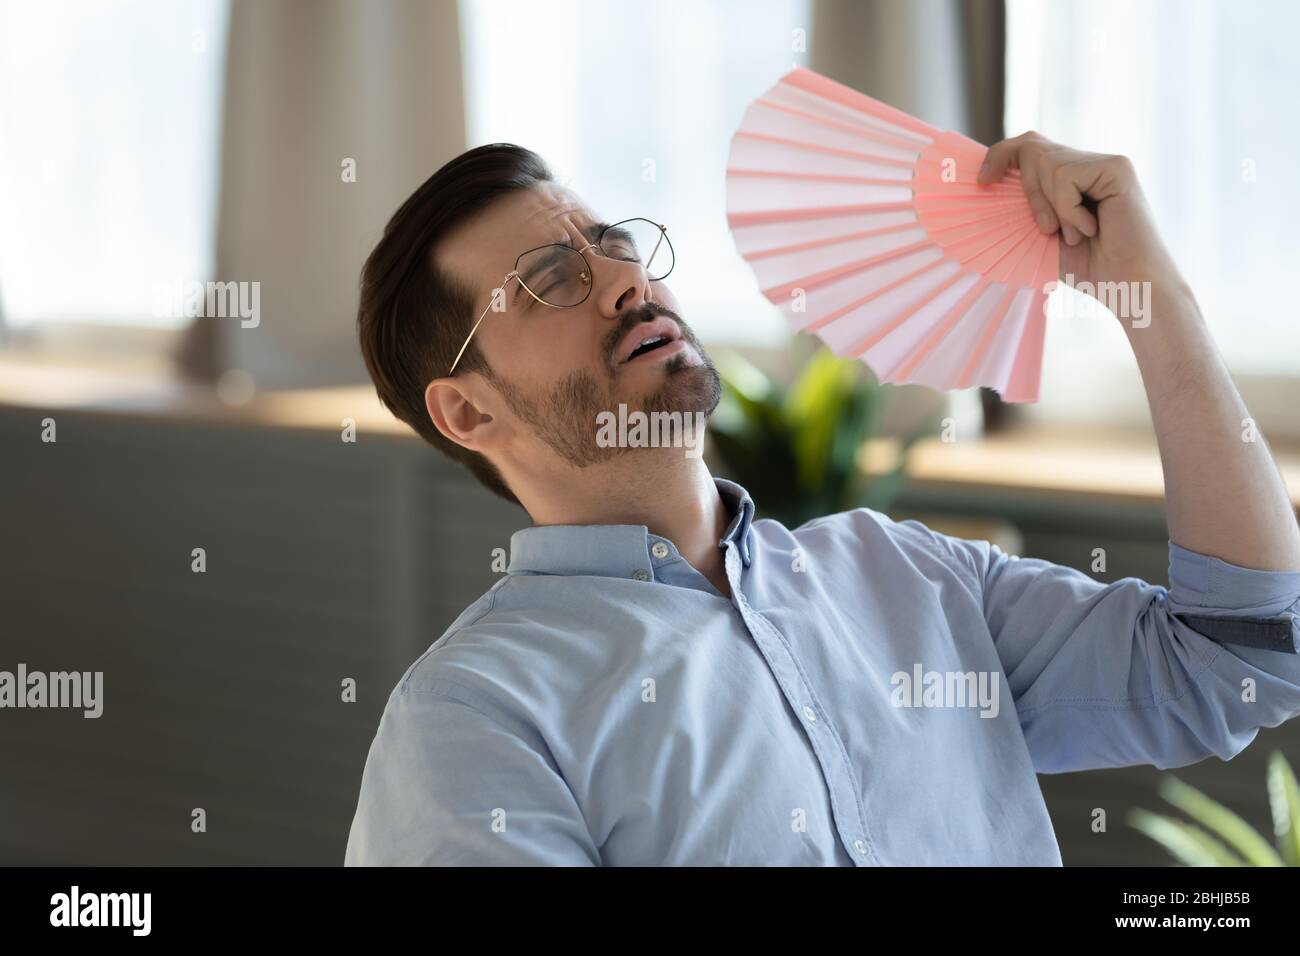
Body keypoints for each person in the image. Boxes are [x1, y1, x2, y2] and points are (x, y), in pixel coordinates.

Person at [344, 137, 1300, 865]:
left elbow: (1238, 659)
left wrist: (1148, 291)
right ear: (467, 411)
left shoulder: (909, 577)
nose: (626, 281)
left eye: (615, 245)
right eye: (551, 280)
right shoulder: (473, 719)